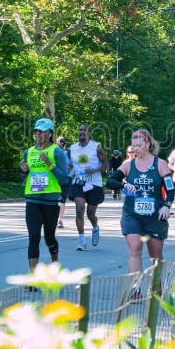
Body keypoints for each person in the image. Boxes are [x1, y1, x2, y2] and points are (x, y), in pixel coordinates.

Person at [106, 128, 175, 273]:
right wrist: (123, 184)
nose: (136, 149)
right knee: (134, 249)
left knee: (155, 257)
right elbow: (110, 181)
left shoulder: (160, 164)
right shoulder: (128, 165)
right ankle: (135, 291)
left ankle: (156, 290)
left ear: (148, 144)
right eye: (134, 146)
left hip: (155, 216)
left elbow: (170, 189)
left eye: (139, 145)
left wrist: (167, 206)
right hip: (132, 214)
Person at [19, 118, 70, 277]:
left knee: (49, 238)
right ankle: (33, 276)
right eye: (36, 131)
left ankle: (55, 264)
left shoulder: (57, 152)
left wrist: (50, 164)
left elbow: (64, 179)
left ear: (50, 133)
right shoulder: (28, 152)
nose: (39, 134)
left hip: (50, 202)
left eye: (43, 131)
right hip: (33, 200)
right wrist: (24, 172)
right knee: (33, 237)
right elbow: (23, 179)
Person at [68, 123, 109, 251]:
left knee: (90, 214)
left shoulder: (96, 147)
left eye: (84, 130)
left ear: (89, 133)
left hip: (94, 183)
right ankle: (82, 242)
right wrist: (71, 173)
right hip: (79, 183)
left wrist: (95, 170)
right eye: (80, 130)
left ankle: (95, 227)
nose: (82, 132)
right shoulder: (72, 149)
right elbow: (69, 165)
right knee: (79, 209)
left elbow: (105, 165)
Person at [55, 136, 69, 228]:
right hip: (65, 178)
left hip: (55, 177)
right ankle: (59, 219)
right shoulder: (67, 153)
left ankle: (57, 219)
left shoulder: (54, 151)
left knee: (55, 199)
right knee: (62, 200)